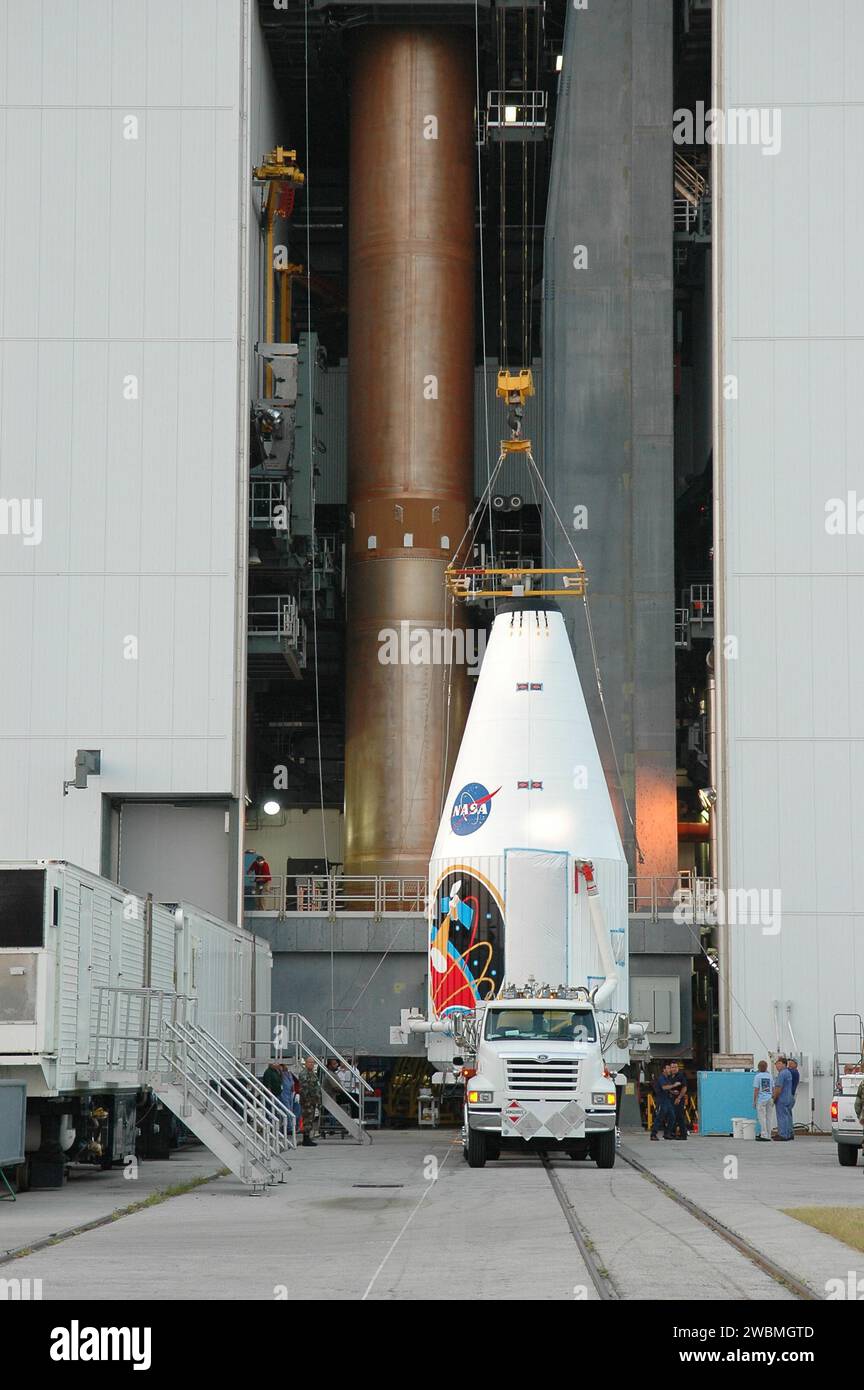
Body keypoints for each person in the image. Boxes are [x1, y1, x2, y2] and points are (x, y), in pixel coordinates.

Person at [298, 1055, 322, 1147]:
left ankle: (308, 1137)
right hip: (307, 1101)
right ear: (306, 1063)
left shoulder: (312, 1073)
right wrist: (307, 1100)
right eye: (310, 1062)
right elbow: (304, 1089)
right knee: (307, 1119)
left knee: (310, 1119)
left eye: (313, 1063)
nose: (311, 1064)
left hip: (313, 1101)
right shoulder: (304, 1074)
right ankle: (306, 1139)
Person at [650, 1063, 675, 1140]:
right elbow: (664, 1087)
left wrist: (673, 1092)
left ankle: (667, 1133)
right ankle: (653, 1134)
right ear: (664, 1070)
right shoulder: (661, 1078)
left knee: (672, 1116)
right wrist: (674, 1085)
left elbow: (668, 1088)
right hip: (661, 1100)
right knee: (660, 1117)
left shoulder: (667, 1078)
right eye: (668, 1068)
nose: (670, 1070)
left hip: (667, 1100)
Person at [772, 1056, 794, 1140]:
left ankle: (783, 1134)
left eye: (779, 1064)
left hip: (782, 1098)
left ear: (784, 1064)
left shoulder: (782, 1074)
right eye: (776, 1064)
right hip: (788, 1097)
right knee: (788, 1116)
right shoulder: (788, 1073)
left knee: (782, 1116)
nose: (777, 1066)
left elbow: (778, 1088)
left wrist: (774, 1098)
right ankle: (789, 1133)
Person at [667, 1060, 689, 1140]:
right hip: (671, 1099)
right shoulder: (669, 1077)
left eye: (675, 1067)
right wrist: (671, 1091)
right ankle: (672, 1133)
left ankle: (683, 1135)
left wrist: (679, 1098)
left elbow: (684, 1088)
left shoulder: (681, 1076)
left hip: (679, 1099)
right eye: (672, 1067)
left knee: (680, 1117)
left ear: (678, 1068)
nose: (674, 1069)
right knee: (672, 1116)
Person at [753, 1059, 773, 1141]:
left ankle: (763, 1135)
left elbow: (756, 1090)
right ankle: (769, 1135)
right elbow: (773, 1088)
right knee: (769, 1117)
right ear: (766, 1067)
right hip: (770, 1098)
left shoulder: (757, 1076)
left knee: (762, 1118)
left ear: (758, 1068)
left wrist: (754, 1101)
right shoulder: (770, 1076)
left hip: (761, 1099)